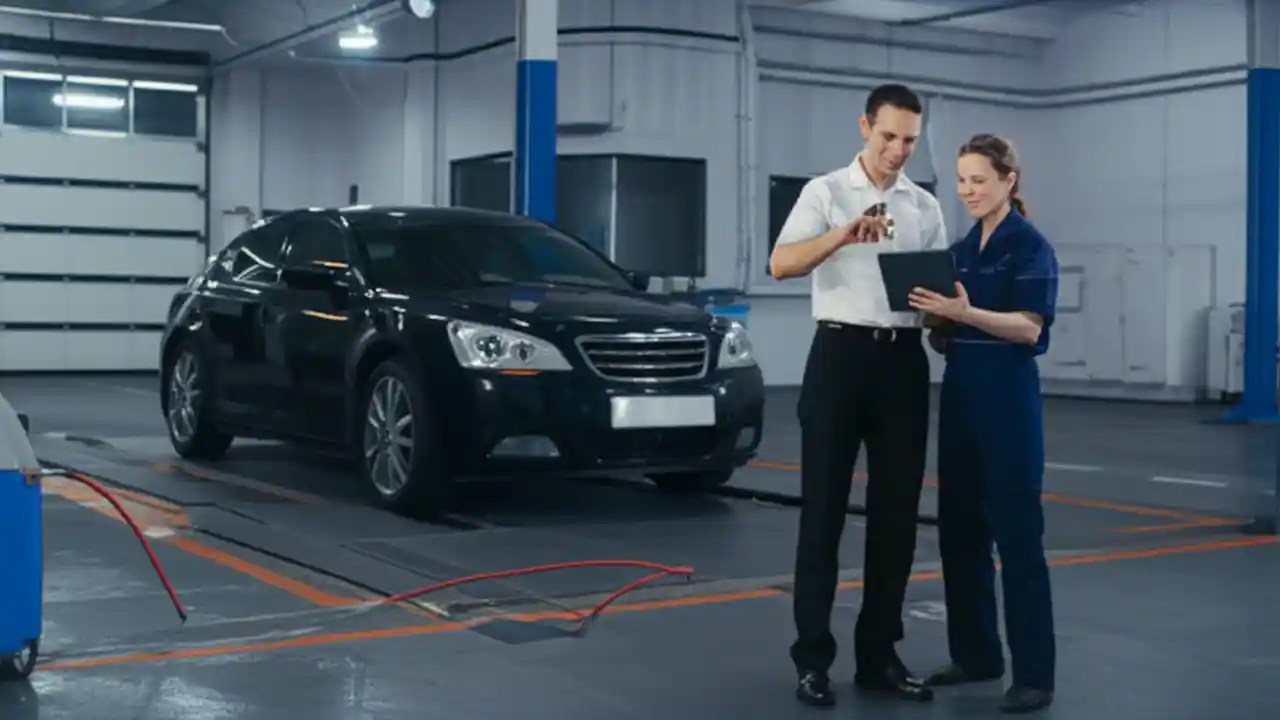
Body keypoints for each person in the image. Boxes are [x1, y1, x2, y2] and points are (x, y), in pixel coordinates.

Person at [770, 83, 947, 708]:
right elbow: (781, 264)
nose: (898, 150)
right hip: (839, 358)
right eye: (888, 137)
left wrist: (947, 313)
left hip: (901, 362)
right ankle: (812, 660)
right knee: (822, 513)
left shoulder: (923, 207)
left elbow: (935, 295)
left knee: (896, 518)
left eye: (909, 141)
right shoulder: (824, 192)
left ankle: (880, 656)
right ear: (864, 127)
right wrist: (843, 235)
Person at [907, 133, 1058, 715]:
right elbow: (954, 329)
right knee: (961, 531)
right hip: (964, 395)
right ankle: (976, 654)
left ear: (1009, 181)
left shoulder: (1029, 247)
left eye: (980, 180)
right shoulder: (963, 248)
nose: (968, 190)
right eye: (962, 180)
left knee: (1018, 537)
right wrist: (936, 319)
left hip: (1008, 401)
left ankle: (1035, 675)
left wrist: (964, 312)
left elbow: (1028, 328)